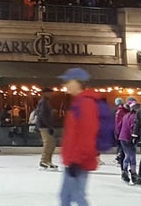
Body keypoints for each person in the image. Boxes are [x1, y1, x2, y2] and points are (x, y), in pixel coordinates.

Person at [58, 68, 100, 206]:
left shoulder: (86, 103)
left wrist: (76, 160)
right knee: (67, 196)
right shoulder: (79, 102)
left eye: (68, 81)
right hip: (74, 159)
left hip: (78, 160)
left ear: (78, 82)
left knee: (76, 195)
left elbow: (88, 133)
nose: (65, 85)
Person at [35, 90, 57, 169]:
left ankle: (48, 161)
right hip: (44, 126)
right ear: (45, 93)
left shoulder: (45, 102)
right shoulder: (43, 102)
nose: (51, 95)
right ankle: (43, 161)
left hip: (46, 125)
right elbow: (42, 115)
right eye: (50, 93)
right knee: (48, 143)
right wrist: (48, 126)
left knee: (52, 144)